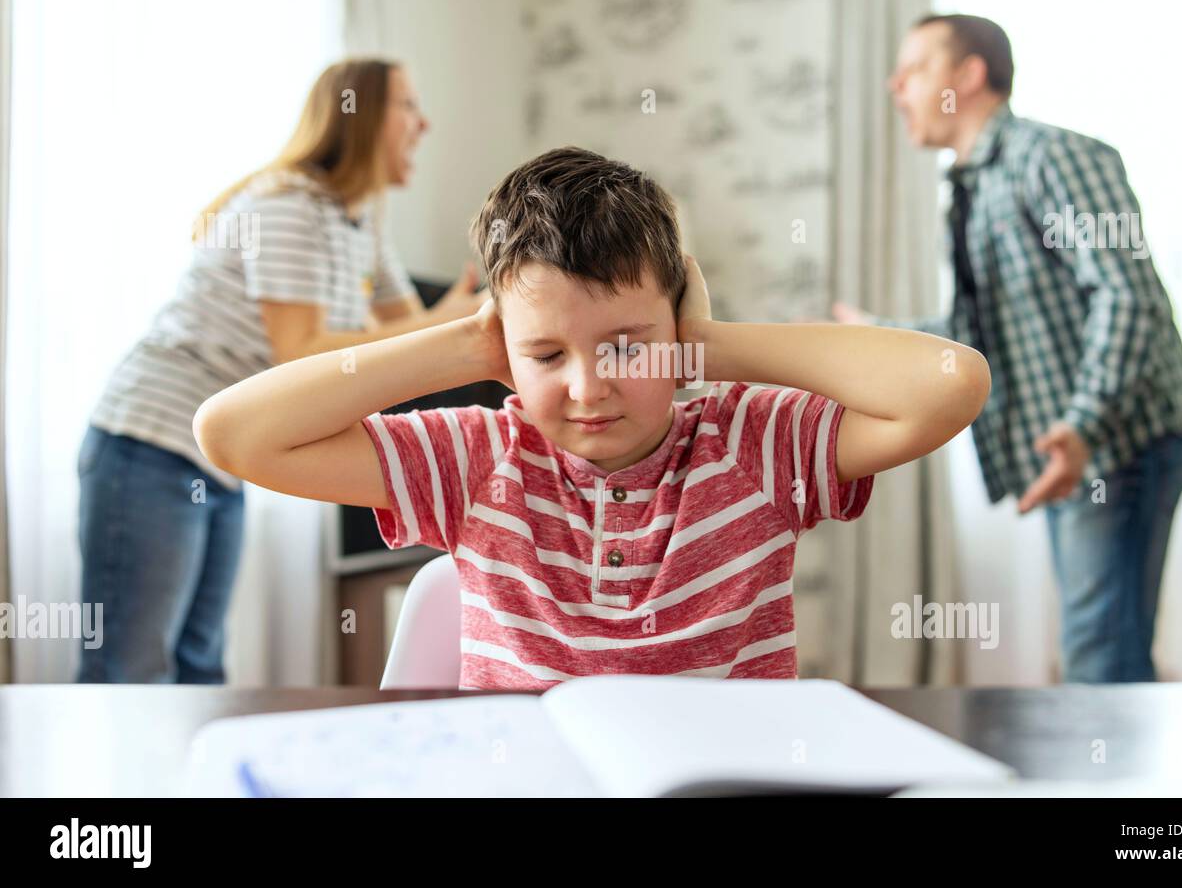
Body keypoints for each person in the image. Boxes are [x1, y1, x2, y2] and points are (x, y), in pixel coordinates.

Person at [193, 146, 990, 689]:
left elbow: (952, 381)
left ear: (676, 324)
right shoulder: (479, 460)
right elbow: (231, 433)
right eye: (546, 355)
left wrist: (711, 346)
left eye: (626, 347)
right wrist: (464, 345)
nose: (588, 388)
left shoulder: (752, 447)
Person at [78, 58, 484, 683]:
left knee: (200, 661)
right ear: (364, 116)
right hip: (151, 440)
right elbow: (301, 352)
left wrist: (460, 321)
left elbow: (411, 344)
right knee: (130, 667)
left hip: (216, 455)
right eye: (408, 105)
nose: (424, 123)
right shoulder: (290, 207)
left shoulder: (360, 222)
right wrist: (456, 324)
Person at [835, 14, 1182, 683]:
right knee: (1103, 647)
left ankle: (1108, 787)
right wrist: (876, 335)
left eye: (913, 69)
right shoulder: (974, 189)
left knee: (1098, 656)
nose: (894, 85)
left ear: (968, 76)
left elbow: (1126, 293)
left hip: (1119, 437)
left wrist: (1084, 424)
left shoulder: (1050, 158)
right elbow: (981, 333)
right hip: (1073, 444)